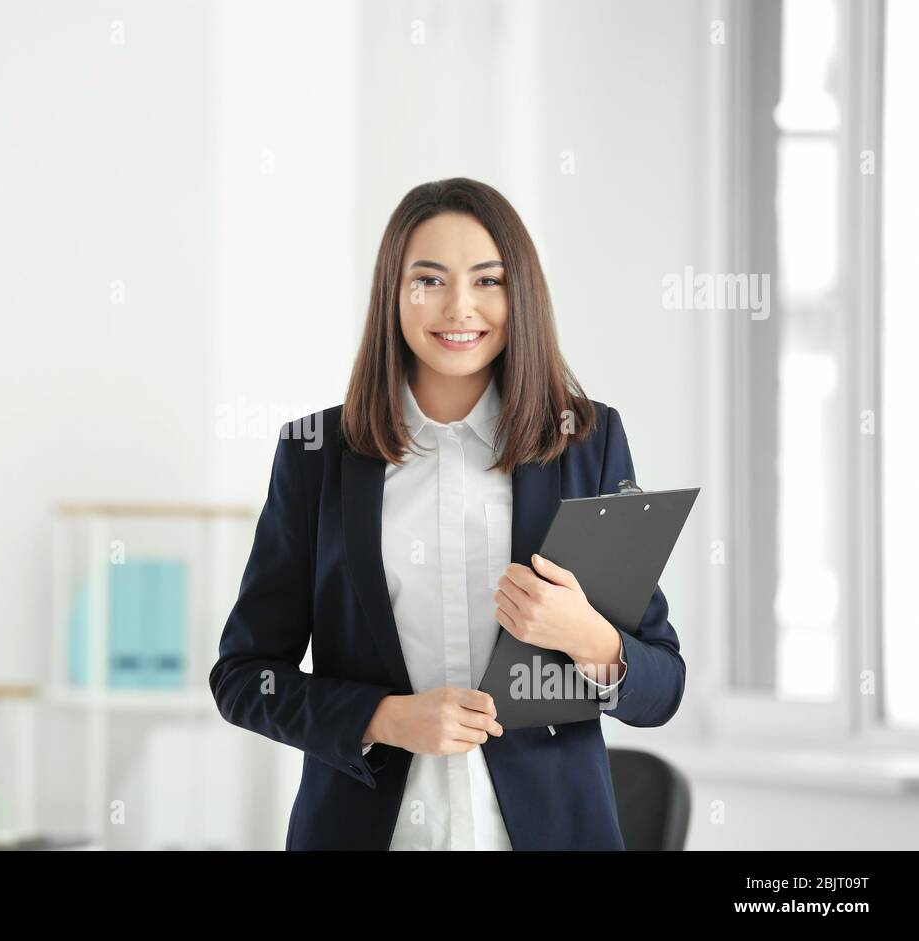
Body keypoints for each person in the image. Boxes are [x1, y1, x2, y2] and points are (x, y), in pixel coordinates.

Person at [208, 177, 685, 850]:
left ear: (519, 294)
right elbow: (243, 678)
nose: (460, 306)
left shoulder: (587, 441)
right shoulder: (317, 457)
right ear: (392, 294)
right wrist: (383, 716)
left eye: (487, 281)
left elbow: (663, 686)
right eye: (429, 280)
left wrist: (591, 639)